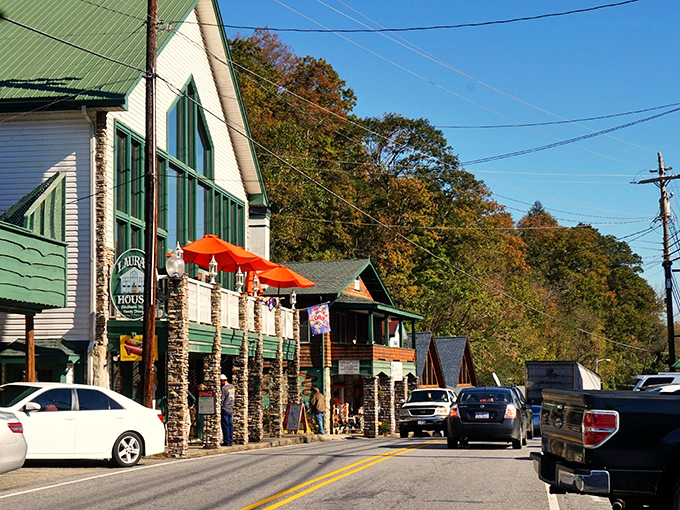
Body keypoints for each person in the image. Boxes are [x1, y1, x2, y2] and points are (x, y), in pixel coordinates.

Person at [220, 374, 235, 446]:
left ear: (222, 380)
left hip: (225, 407)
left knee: (225, 424)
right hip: (230, 407)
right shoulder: (232, 387)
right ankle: (230, 440)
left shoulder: (224, 388)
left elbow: (222, 399)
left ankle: (226, 441)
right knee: (230, 424)